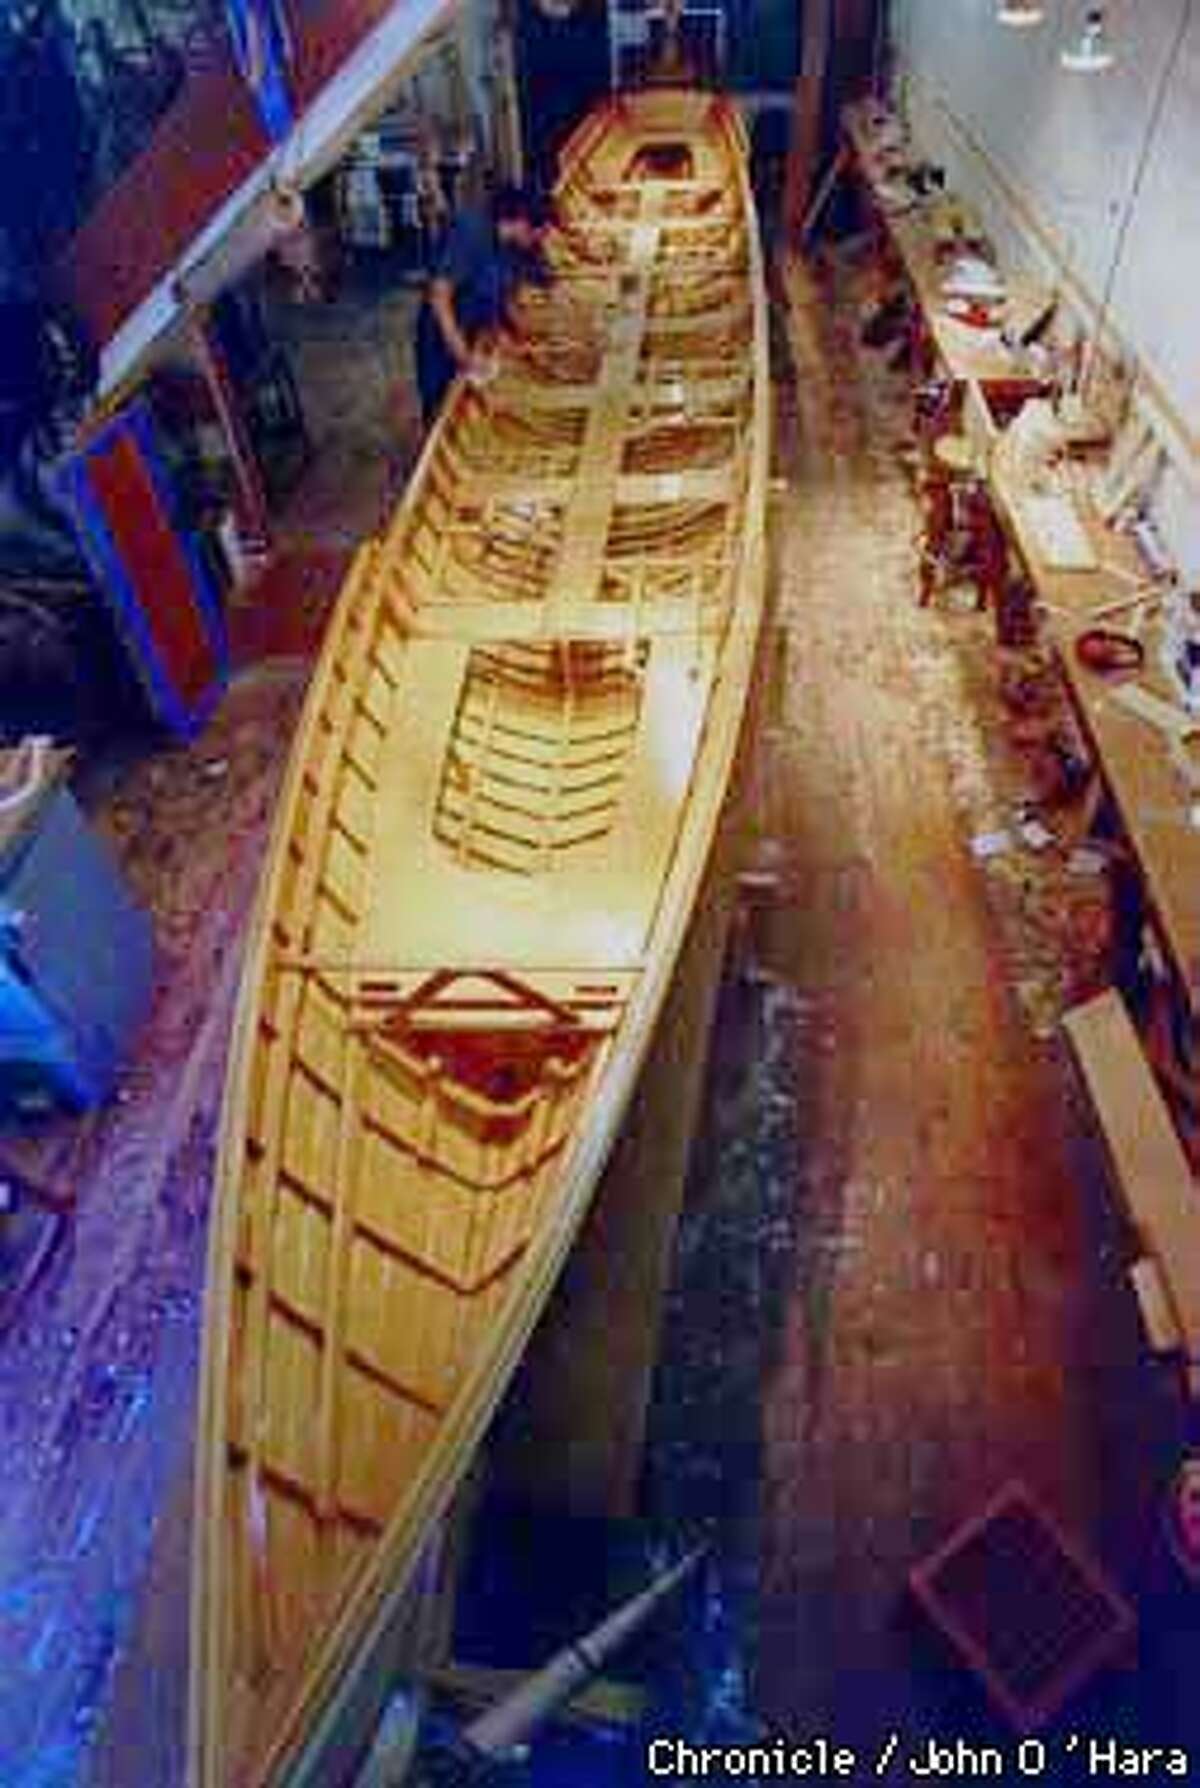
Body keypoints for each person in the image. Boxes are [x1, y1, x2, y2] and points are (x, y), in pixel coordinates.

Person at [414, 183, 554, 425]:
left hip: (473, 327)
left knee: (477, 395)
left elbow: (501, 294)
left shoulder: (511, 245)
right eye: (538, 233)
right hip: (442, 337)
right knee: (441, 407)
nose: (538, 240)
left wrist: (520, 336)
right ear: (521, 223)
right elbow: (439, 298)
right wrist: (464, 358)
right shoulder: (471, 232)